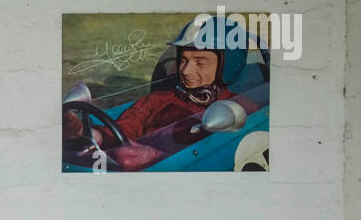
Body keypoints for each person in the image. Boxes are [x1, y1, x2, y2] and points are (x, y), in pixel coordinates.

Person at [65, 15, 260, 157]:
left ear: (226, 67)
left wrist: (155, 156)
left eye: (200, 62)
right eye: (183, 60)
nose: (185, 71)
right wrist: (88, 133)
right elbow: (127, 127)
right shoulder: (157, 99)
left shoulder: (237, 107)